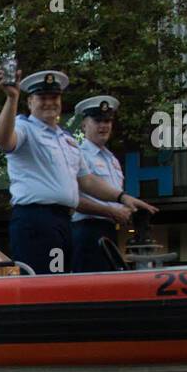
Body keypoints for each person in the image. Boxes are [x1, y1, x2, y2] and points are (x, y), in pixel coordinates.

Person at [0, 68, 157, 274]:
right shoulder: (26, 128)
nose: (49, 102)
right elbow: (3, 139)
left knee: (61, 283)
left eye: (54, 97)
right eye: (42, 97)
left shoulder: (66, 139)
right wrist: (11, 99)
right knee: (45, 286)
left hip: (62, 221)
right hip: (37, 220)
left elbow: (86, 181)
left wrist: (122, 197)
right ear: (30, 102)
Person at [70, 95, 133, 272]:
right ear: (84, 125)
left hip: (110, 229)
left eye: (107, 121)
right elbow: (73, 199)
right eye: (98, 121)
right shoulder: (78, 154)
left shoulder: (112, 159)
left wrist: (125, 210)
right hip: (87, 230)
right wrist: (112, 211)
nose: (103, 126)